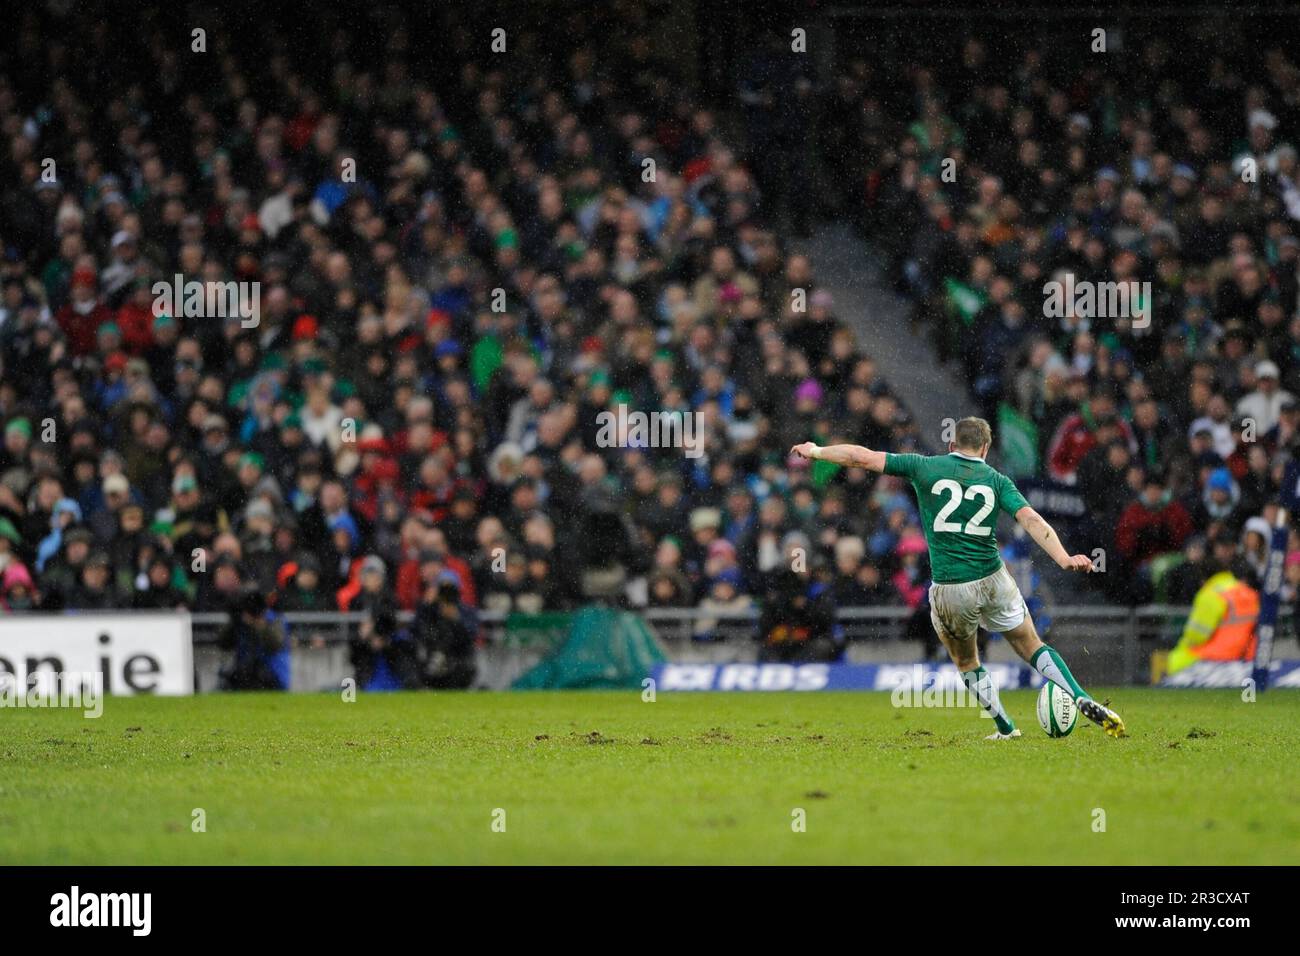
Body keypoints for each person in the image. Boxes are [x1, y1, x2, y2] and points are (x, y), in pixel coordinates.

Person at [791, 416, 1126, 738]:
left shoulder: (923, 466)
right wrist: (1065, 558)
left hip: (951, 585)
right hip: (994, 576)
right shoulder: (997, 480)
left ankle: (1006, 727)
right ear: (985, 448)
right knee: (1031, 644)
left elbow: (860, 457)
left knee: (966, 660)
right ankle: (1079, 694)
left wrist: (817, 451)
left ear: (952, 443)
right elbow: (1031, 520)